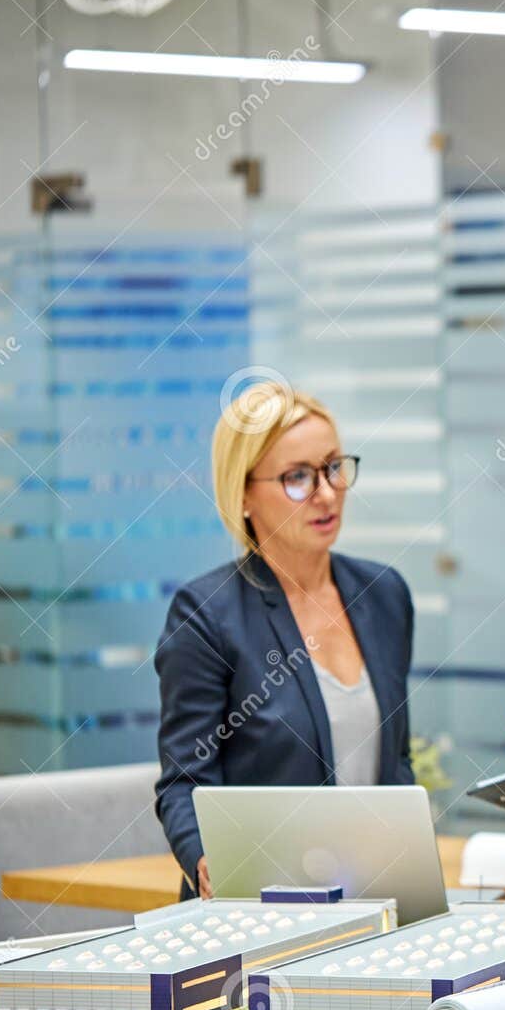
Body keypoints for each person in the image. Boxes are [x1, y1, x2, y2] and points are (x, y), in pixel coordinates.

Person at [154, 381, 415, 900]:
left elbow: (396, 765)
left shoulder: (383, 593)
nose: (325, 493)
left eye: (333, 467)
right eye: (297, 477)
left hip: (372, 897)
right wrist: (209, 859)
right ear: (244, 494)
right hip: (258, 904)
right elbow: (184, 781)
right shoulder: (208, 613)